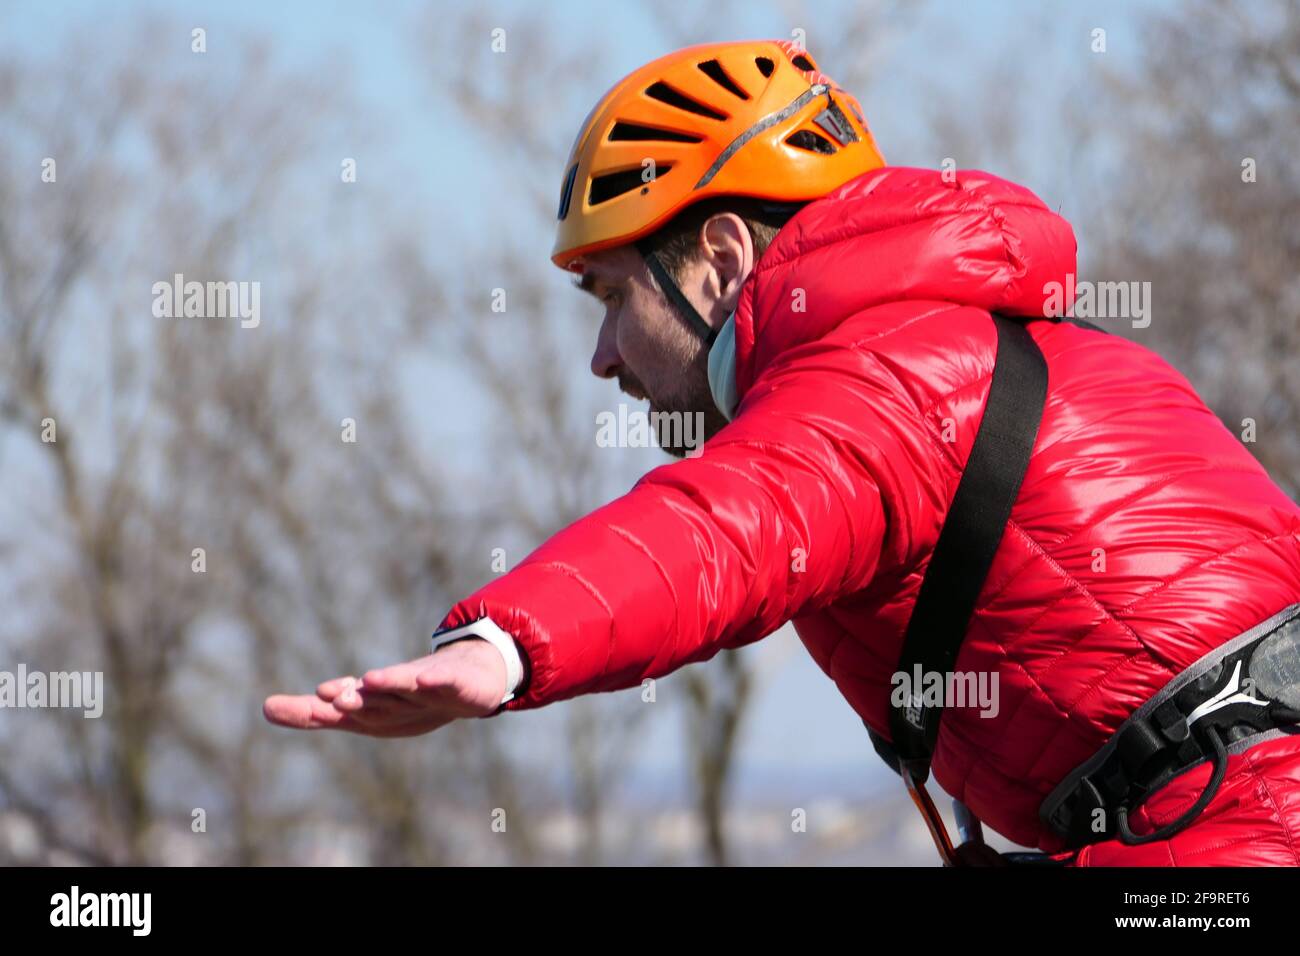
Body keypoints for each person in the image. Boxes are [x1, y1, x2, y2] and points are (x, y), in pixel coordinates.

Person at [264, 40, 1300, 866]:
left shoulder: (884, 377)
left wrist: (508, 645)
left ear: (720, 258)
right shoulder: (986, 344)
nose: (600, 355)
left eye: (616, 295)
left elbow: (723, 529)